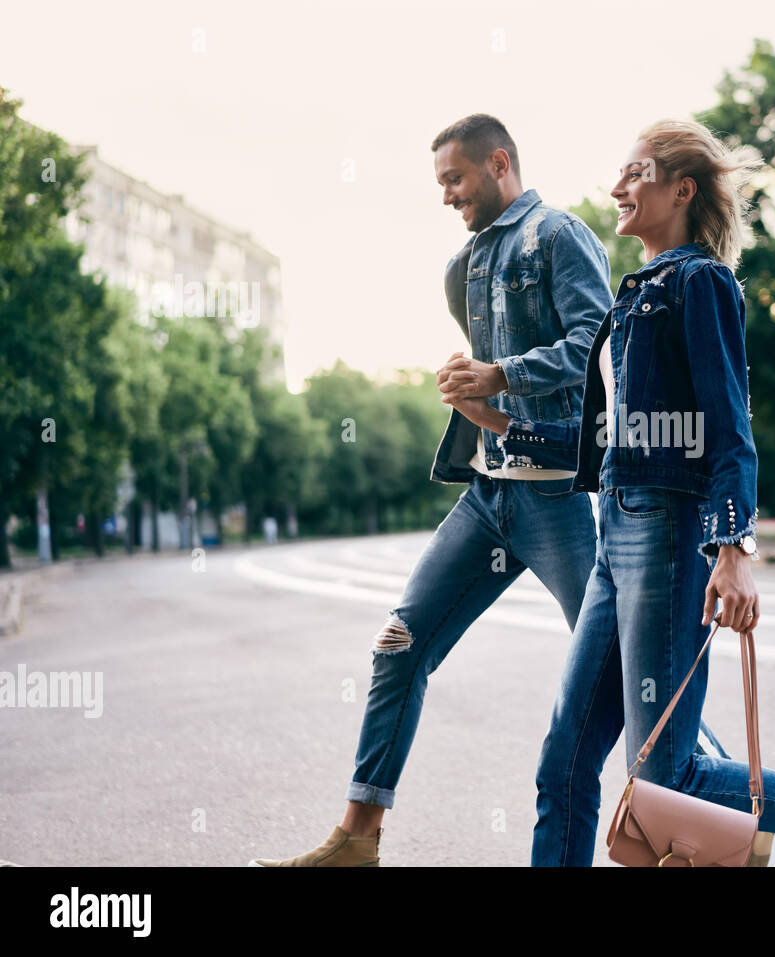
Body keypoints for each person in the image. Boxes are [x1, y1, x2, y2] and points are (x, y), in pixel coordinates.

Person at [481, 119, 775, 867]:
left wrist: (733, 545)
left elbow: (728, 426)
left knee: (665, 773)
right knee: (567, 758)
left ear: (681, 189)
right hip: (617, 532)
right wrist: (507, 426)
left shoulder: (698, 281)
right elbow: (612, 441)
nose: (617, 187)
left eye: (635, 174)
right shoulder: (632, 295)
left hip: (670, 535)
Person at [250, 114, 612, 866]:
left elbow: (593, 347)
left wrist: (502, 375)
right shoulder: (463, 267)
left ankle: (726, 817)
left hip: (556, 502)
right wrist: (479, 401)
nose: (446, 195)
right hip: (488, 496)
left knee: (620, 658)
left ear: (498, 162)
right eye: (440, 183)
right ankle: (356, 839)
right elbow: (499, 391)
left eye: (455, 178)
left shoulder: (559, 234)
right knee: (399, 646)